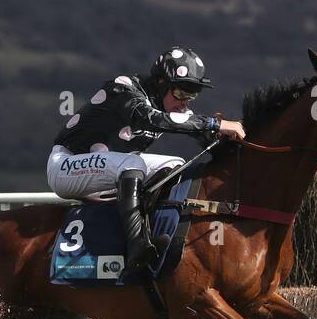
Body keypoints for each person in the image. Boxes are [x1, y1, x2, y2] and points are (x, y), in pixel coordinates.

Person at [46, 47, 246, 279]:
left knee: (174, 165)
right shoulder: (123, 88)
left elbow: (197, 131)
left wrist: (226, 138)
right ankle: (136, 246)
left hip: (106, 170)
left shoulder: (169, 105)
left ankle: (154, 231)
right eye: (180, 92)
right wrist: (212, 124)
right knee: (133, 164)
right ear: (161, 83)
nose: (185, 102)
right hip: (66, 165)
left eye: (191, 95)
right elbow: (151, 118)